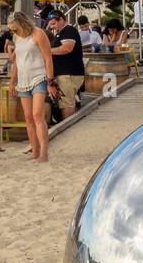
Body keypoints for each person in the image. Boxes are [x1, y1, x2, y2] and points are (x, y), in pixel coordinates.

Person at [7, 11, 55, 163]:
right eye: (12, 30)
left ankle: (44, 155)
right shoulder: (17, 37)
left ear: (22, 23)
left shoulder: (38, 34)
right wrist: (12, 81)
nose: (13, 32)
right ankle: (35, 153)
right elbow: (17, 62)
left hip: (39, 77)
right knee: (28, 118)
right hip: (23, 80)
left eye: (15, 29)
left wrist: (50, 81)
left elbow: (48, 58)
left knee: (37, 115)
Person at [46, 12, 86, 118]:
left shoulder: (69, 30)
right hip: (64, 73)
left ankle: (68, 128)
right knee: (65, 102)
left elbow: (67, 48)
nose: (52, 26)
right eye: (51, 24)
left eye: (54, 23)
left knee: (67, 104)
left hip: (69, 73)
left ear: (62, 20)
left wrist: (46, 51)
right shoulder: (61, 32)